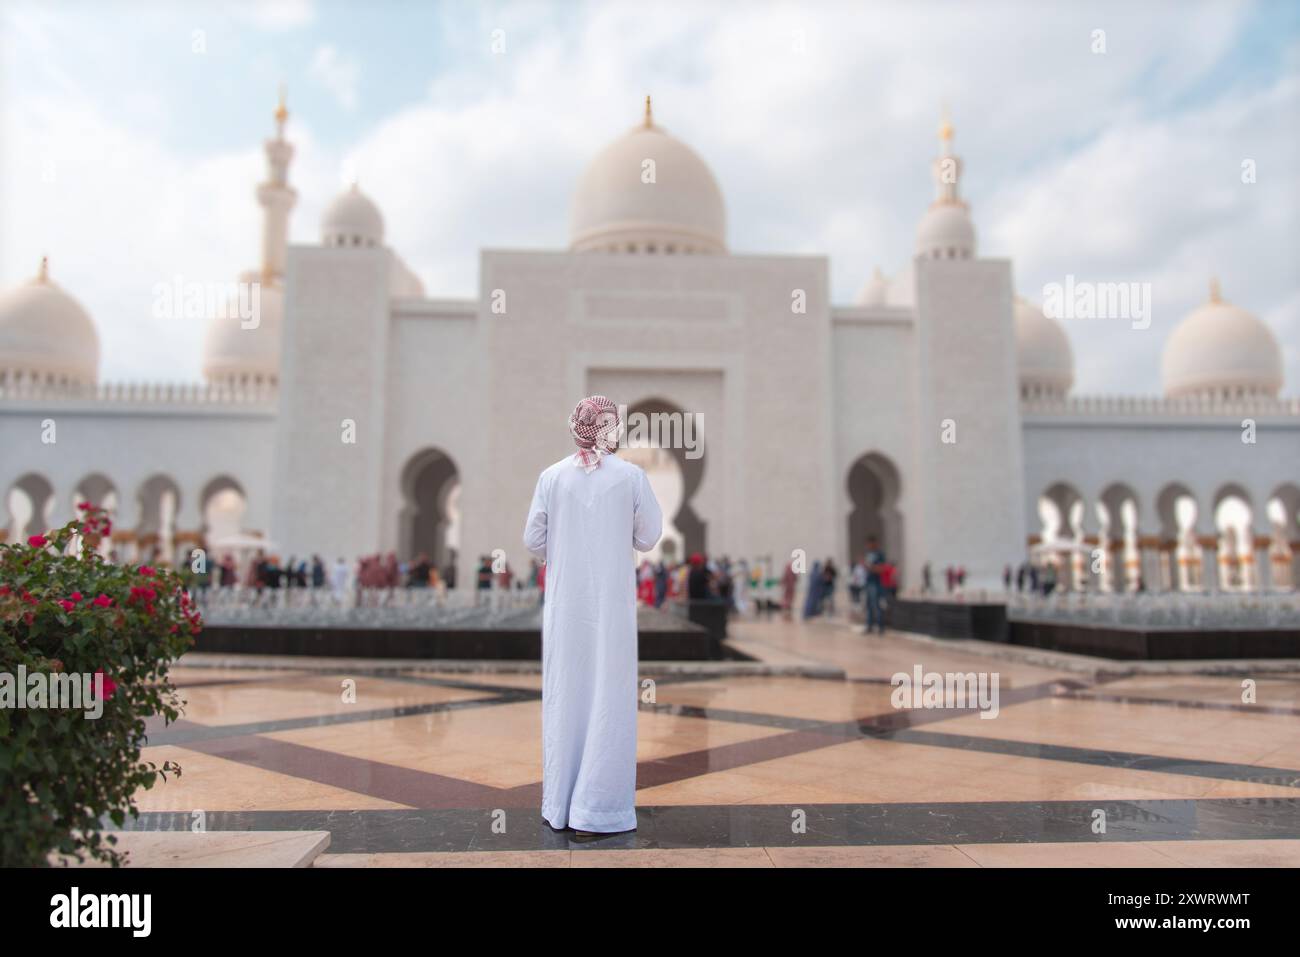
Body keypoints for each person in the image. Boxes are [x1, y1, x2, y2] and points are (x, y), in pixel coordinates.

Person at [523, 395, 662, 840]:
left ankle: (559, 805)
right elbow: (649, 537)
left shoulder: (551, 477)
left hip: (566, 610)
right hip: (611, 612)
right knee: (609, 700)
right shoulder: (631, 477)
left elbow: (532, 539)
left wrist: (561, 551)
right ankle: (600, 810)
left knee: (567, 697)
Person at [861, 537, 886, 634]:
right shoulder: (868, 554)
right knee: (868, 606)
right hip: (868, 582)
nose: (868, 546)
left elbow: (881, 569)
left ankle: (880, 627)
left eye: (869, 544)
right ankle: (869, 626)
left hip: (876, 583)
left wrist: (869, 567)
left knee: (876, 605)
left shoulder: (879, 554)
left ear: (874, 543)